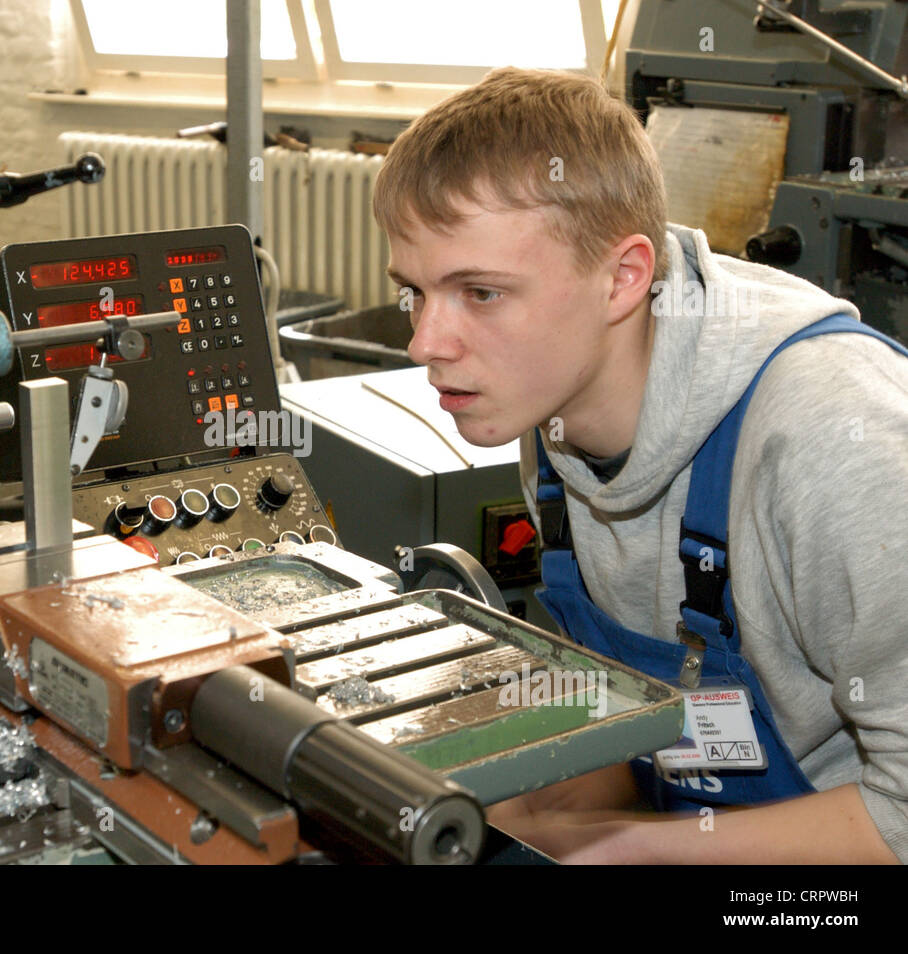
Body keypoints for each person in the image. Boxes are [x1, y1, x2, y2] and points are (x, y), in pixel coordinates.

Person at [372, 66, 906, 863]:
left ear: (623, 277)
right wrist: (544, 800)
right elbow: (637, 716)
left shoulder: (832, 436)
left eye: (479, 293)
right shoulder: (549, 399)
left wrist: (619, 846)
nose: (425, 344)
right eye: (415, 292)